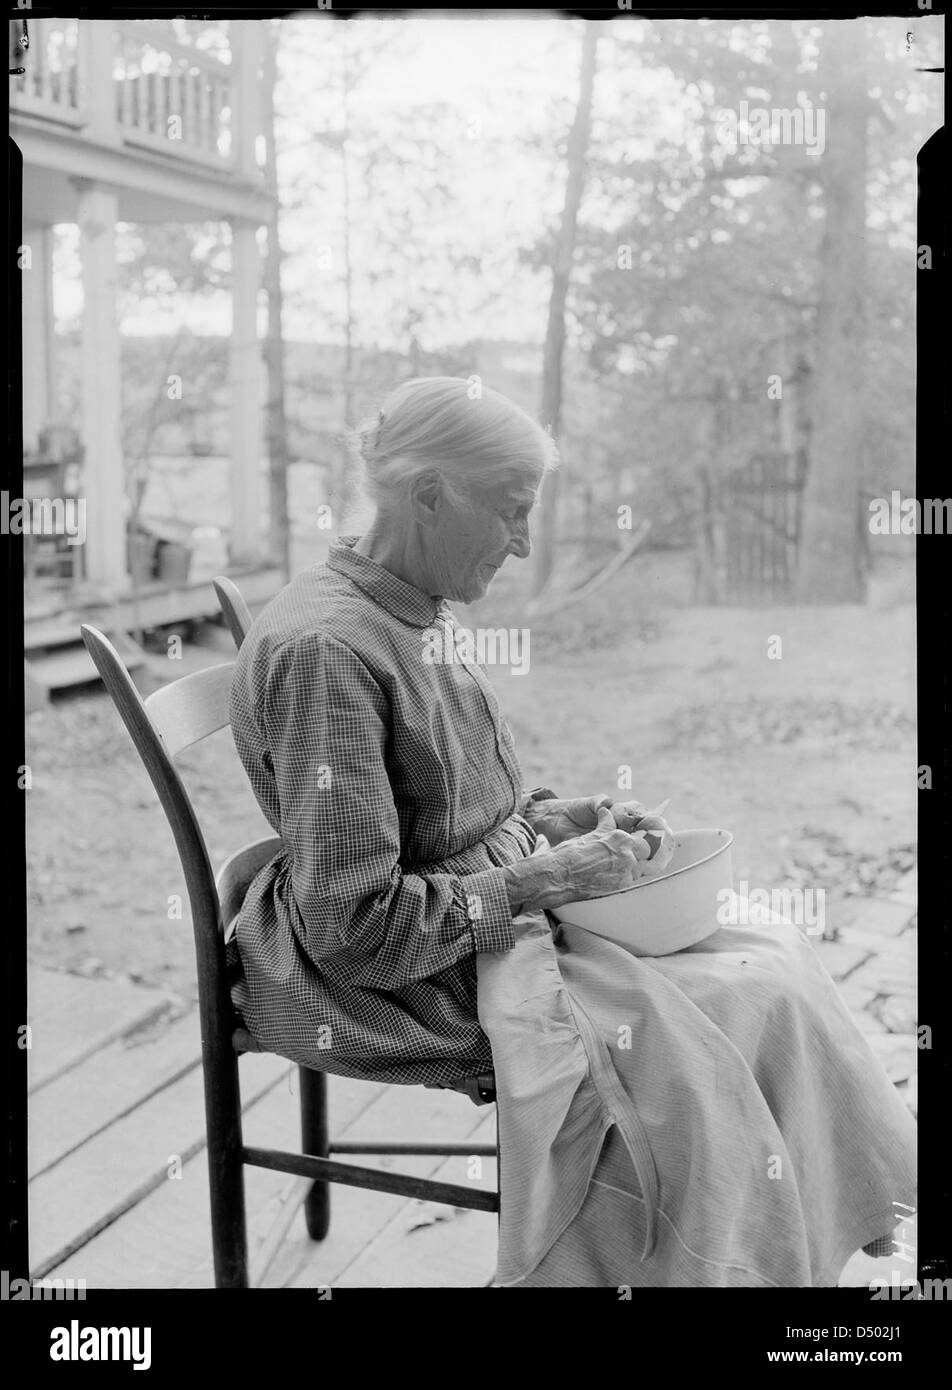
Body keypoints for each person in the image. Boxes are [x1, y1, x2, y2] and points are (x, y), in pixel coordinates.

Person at [228, 376, 915, 1286]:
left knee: (772, 959)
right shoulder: (330, 651)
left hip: (473, 930)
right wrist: (548, 878)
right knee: (710, 1017)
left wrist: (562, 823)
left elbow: (450, 809)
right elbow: (354, 932)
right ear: (429, 493)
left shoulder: (413, 608)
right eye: (512, 513)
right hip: (384, 981)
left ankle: (781, 1253)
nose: (522, 544)